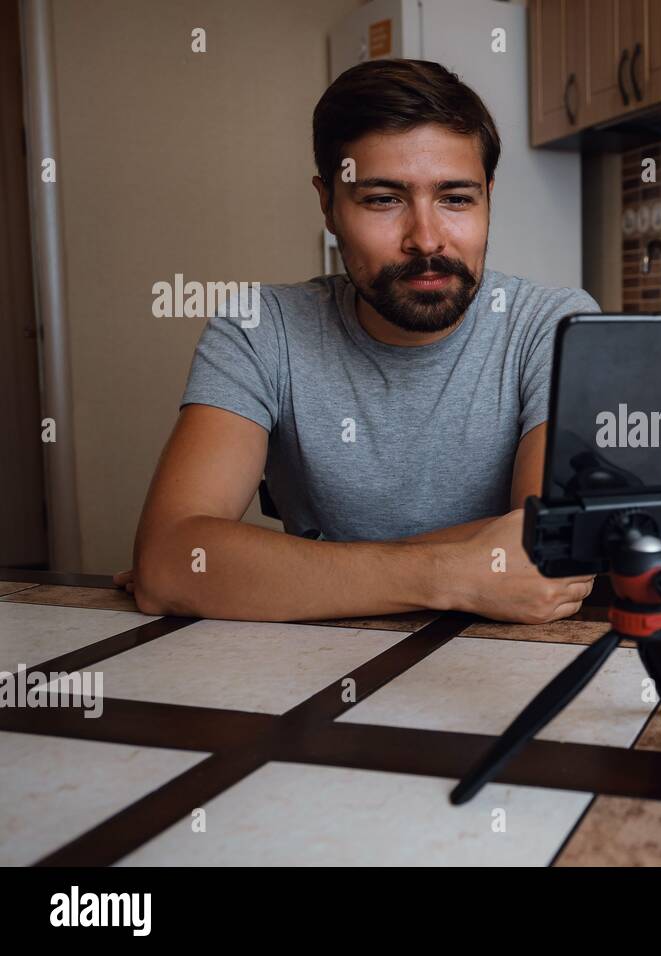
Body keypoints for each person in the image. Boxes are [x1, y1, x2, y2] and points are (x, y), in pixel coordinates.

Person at [117, 59, 597, 624]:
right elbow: (173, 564)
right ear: (328, 204)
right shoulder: (259, 327)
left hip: (500, 668)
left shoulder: (556, 324)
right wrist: (456, 571)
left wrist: (280, 568)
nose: (426, 239)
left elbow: (546, 551)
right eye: (382, 199)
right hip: (308, 674)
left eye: (456, 199)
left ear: (489, 197)